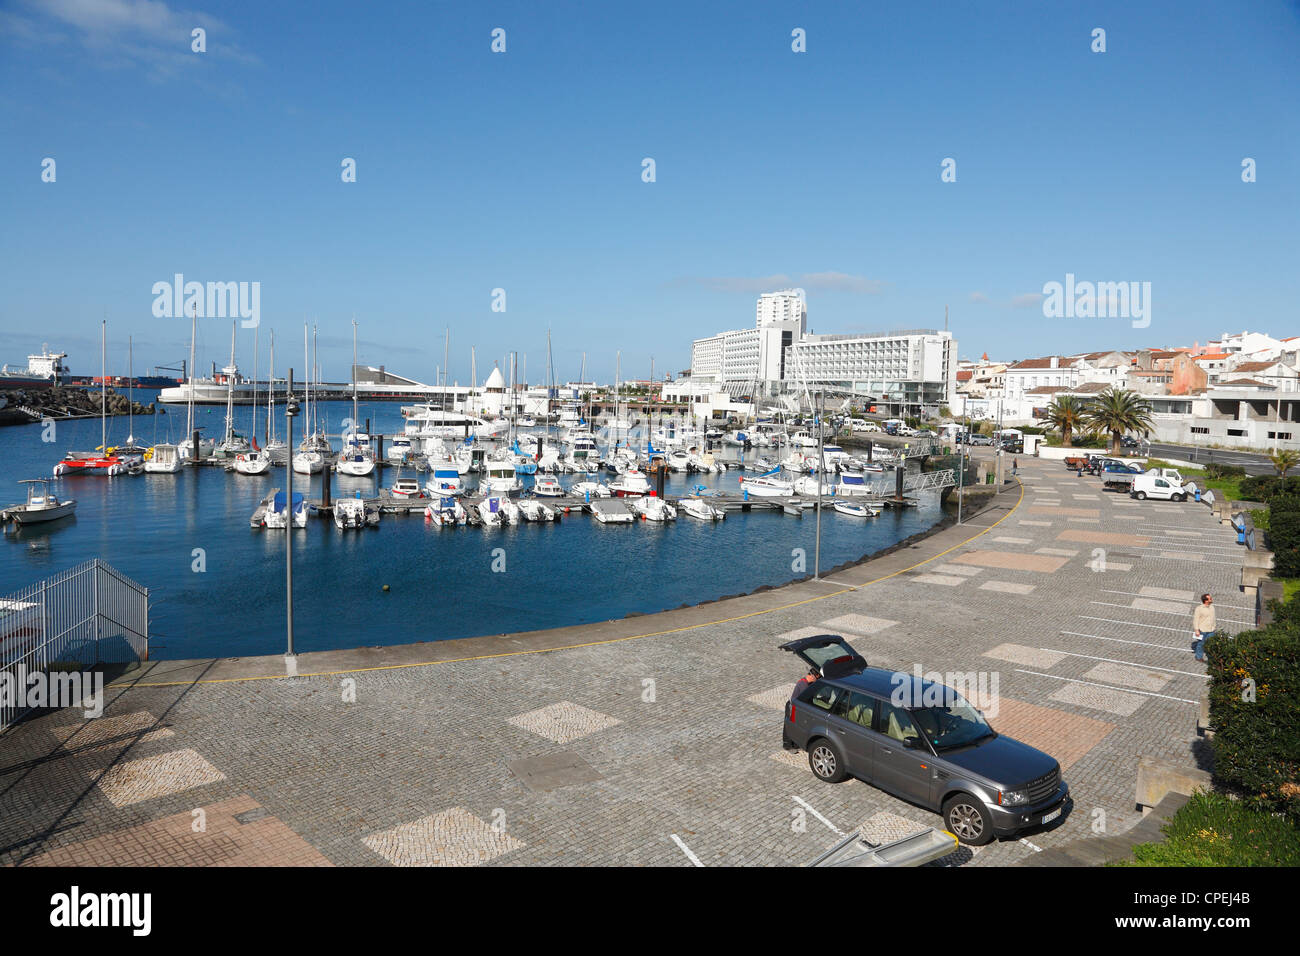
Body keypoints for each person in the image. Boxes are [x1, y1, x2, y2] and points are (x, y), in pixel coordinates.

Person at [1192, 593, 1216, 662]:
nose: (1211, 599)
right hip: (1203, 630)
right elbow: (1196, 620)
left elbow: (1213, 618)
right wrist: (1196, 630)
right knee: (1201, 644)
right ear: (1206, 600)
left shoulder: (1212, 607)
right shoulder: (1199, 609)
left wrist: (1214, 626)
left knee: (1211, 644)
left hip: (1211, 629)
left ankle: (1211, 657)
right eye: (1210, 598)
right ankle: (1199, 657)